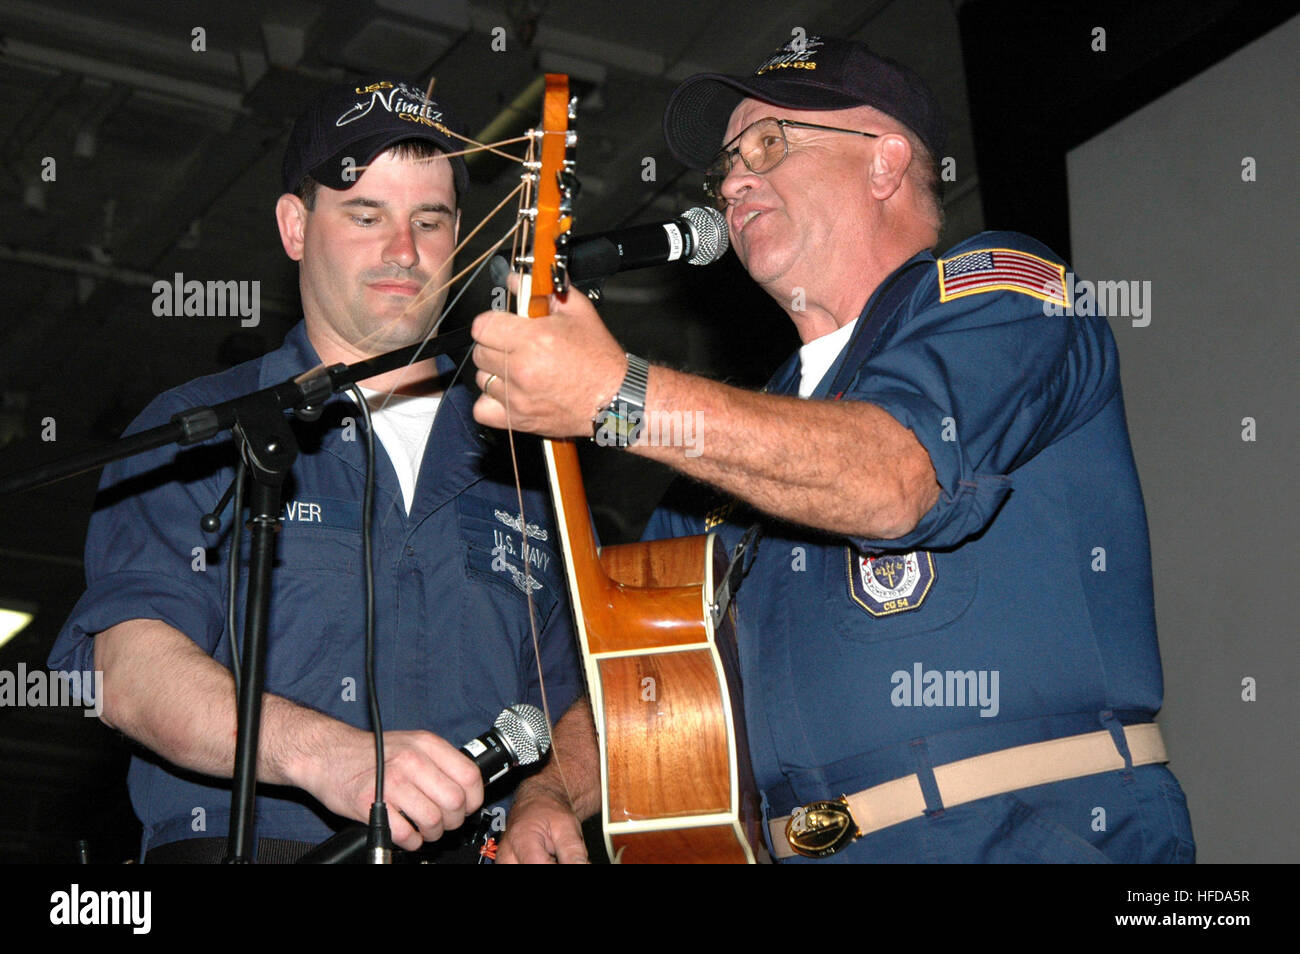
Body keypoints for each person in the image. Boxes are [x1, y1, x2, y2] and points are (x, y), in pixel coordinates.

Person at [473, 36, 1196, 863]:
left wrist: (621, 396)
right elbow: (643, 673)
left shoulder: (1005, 294)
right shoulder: (735, 438)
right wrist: (549, 792)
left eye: (769, 145)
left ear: (886, 163)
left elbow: (894, 480)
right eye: (726, 165)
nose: (734, 179)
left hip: (1019, 834)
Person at [49, 78, 584, 863]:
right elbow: (125, 671)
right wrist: (328, 756)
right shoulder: (202, 429)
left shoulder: (526, 452)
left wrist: (551, 793)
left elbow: (585, 699)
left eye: (428, 221)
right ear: (295, 226)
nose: (403, 252)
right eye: (366, 216)